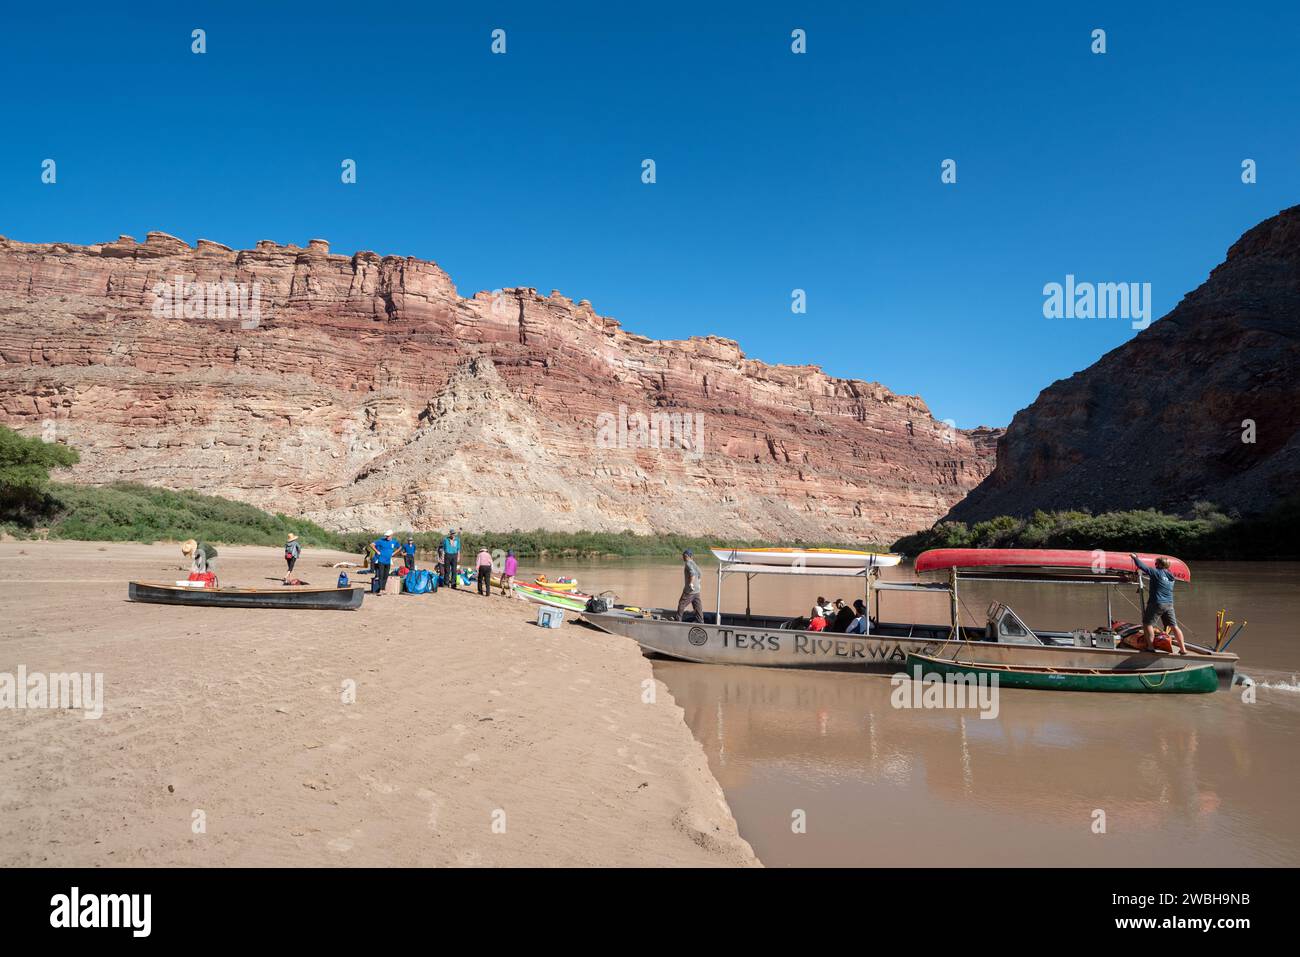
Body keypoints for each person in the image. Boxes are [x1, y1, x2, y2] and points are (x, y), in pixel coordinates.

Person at [1131, 553, 1188, 654]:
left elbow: (1142, 566)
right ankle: (1183, 649)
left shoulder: (1156, 572)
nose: (1155, 565)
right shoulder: (1171, 576)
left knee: (1147, 624)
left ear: (1160, 565)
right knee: (1174, 626)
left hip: (1156, 603)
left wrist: (1134, 557)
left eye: (1156, 563)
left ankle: (1150, 647)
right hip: (1169, 604)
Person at [370, 530, 401, 596]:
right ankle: (380, 590)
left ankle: (383, 589)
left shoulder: (394, 542)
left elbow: (400, 547)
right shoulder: (381, 541)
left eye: (388, 536)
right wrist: (377, 551)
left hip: (388, 561)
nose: (387, 537)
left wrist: (394, 553)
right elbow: (371, 545)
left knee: (386, 575)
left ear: (392, 535)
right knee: (381, 575)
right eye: (386, 536)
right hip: (381, 560)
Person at [677, 549, 704, 622]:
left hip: (690, 590)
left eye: (684, 556)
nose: (683, 557)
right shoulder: (694, 563)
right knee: (697, 606)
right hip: (697, 590)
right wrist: (698, 583)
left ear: (688, 556)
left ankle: (678, 620)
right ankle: (700, 621)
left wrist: (691, 583)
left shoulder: (688, 563)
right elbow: (700, 573)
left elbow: (693, 574)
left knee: (681, 603)